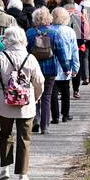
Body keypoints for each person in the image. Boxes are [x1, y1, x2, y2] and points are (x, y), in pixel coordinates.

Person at [0, 26, 44, 180]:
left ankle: (5, 168)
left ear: (8, 39)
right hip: (26, 105)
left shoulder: (1, 57)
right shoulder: (30, 58)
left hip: (5, 103)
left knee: (5, 135)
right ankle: (22, 174)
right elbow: (39, 81)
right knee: (24, 137)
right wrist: (36, 97)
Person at [26, 7, 62, 135]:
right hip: (50, 68)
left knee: (34, 95)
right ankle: (45, 126)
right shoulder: (53, 33)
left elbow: (25, 50)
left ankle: (35, 119)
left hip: (32, 69)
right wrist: (66, 67)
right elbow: (60, 51)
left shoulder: (29, 33)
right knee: (46, 96)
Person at [50, 5, 80, 123]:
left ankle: (55, 116)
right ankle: (65, 114)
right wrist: (75, 66)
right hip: (66, 64)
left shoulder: (49, 30)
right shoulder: (69, 31)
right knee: (66, 91)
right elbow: (74, 50)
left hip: (52, 63)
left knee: (53, 92)